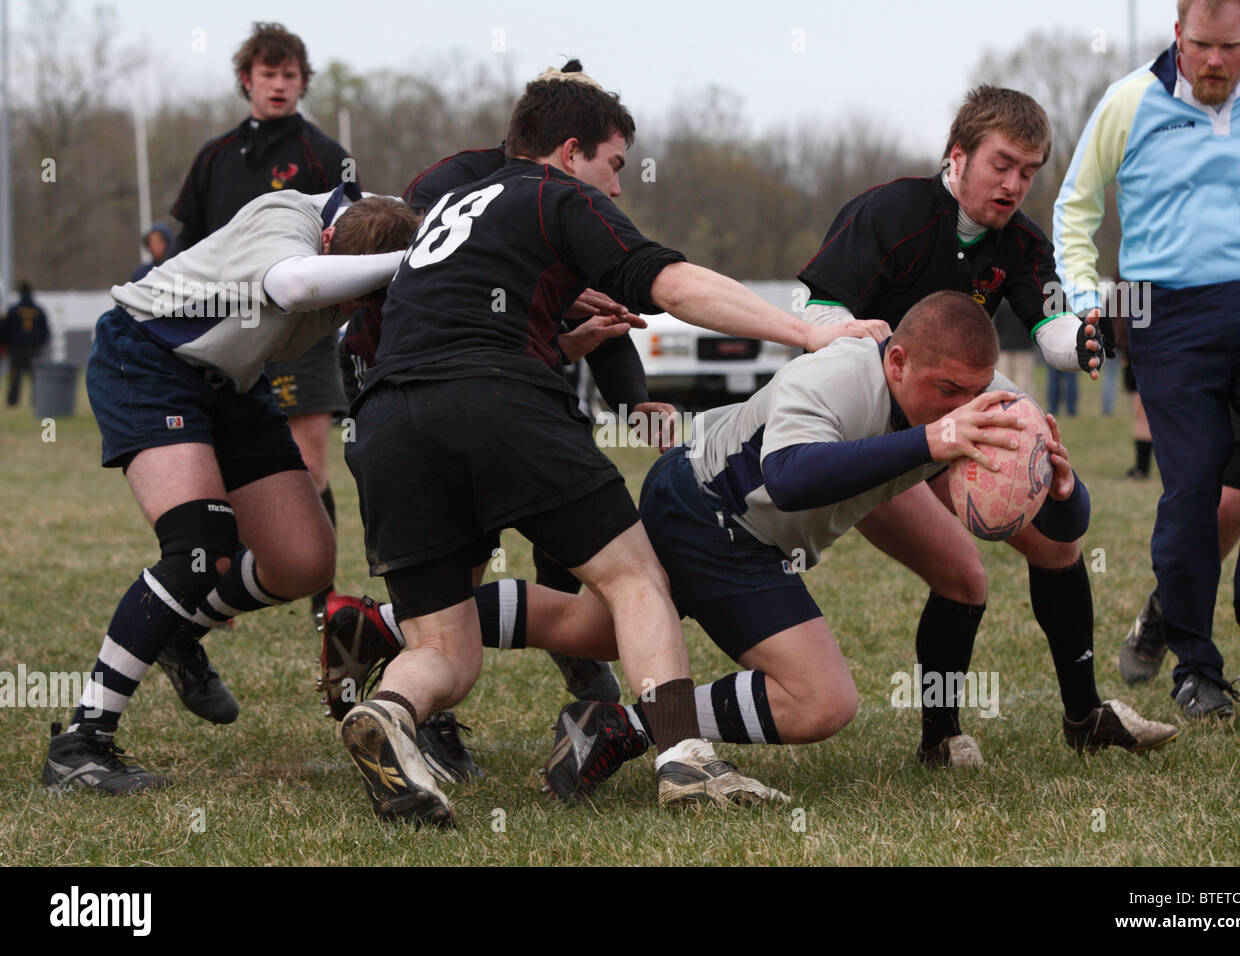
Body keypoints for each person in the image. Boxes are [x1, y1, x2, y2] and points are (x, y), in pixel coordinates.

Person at [329, 292, 1177, 774]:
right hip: (710, 511)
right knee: (825, 701)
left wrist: (1058, 488)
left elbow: (1045, 531)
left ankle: (390, 627)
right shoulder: (843, 369)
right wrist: (937, 441)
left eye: (973, 393)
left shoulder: (954, 407)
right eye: (943, 390)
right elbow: (791, 476)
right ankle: (628, 727)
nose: (958, 408)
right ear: (897, 364)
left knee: (592, 622)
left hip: (727, 518)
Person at [340, 66, 869, 826]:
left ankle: (389, 710)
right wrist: (810, 332)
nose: (616, 188)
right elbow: (676, 285)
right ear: (570, 149)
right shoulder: (555, 194)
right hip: (495, 400)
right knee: (635, 580)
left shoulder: (451, 204)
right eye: (614, 165)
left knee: (447, 655)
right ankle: (686, 762)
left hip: (387, 421)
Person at [41, 187, 421, 793]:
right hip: (148, 358)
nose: (342, 314)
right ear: (327, 245)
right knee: (199, 548)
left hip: (234, 383)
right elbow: (295, 287)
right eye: (346, 300)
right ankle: (80, 744)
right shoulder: (287, 217)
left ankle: (182, 631)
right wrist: (412, 257)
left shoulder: (377, 219)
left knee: (304, 560)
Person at [792, 86, 1120, 764]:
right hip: (867, 428)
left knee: (1056, 543)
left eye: (1029, 171)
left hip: (955, 414)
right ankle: (940, 736)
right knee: (961, 576)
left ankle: (1082, 716)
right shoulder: (891, 212)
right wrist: (868, 351)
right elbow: (813, 311)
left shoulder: (1021, 242)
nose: (1014, 183)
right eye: (1002, 164)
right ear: (958, 153)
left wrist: (1080, 340)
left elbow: (1046, 321)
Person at [1055, 0, 1240, 722]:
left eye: (1229, 46)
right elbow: (1075, 208)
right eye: (1201, 46)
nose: (1215, 62)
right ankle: (1196, 667)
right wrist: (1082, 297)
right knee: (1193, 484)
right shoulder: (1128, 101)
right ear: (1176, 35)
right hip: (1166, 316)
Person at [168, 21, 352, 639]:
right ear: (246, 80)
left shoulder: (325, 154)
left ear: (303, 83)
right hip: (224, 333)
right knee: (221, 467)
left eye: (290, 75)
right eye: (268, 74)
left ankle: (322, 597)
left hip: (300, 332)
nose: (278, 85)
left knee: (307, 462)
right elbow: (185, 245)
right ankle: (236, 575)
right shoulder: (215, 156)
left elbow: (349, 240)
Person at [3, 282, 50, 407]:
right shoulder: (39, 310)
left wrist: (5, 345)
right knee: (36, 378)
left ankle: (12, 401)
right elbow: (45, 331)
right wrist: (41, 344)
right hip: (35, 349)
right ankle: (37, 401)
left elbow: (5, 330)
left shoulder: (13, 310)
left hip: (16, 350)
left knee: (14, 377)